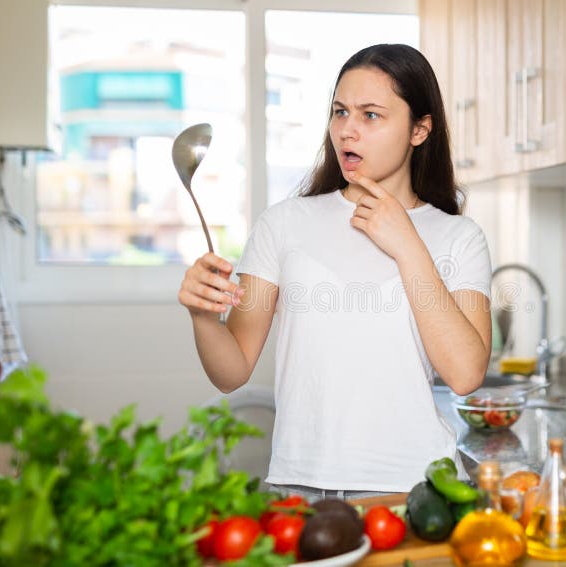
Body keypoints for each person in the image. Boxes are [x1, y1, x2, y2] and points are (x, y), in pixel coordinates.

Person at [178, 44, 492, 500]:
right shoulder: (284, 224)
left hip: (417, 491)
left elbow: (465, 373)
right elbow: (232, 372)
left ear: (419, 130)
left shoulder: (459, 237)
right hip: (301, 487)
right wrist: (203, 315)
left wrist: (408, 245)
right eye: (340, 112)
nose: (347, 131)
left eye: (370, 115)